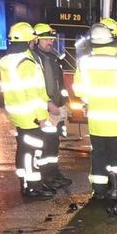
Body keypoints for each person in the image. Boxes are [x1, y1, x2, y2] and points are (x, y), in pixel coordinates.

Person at [73, 23, 117, 216]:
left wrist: (92, 101)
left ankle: (99, 191)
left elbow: (79, 90)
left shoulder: (85, 60)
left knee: (99, 156)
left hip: (97, 120)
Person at [0, 23, 55, 200]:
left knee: (23, 150)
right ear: (30, 40)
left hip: (18, 112)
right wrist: (42, 117)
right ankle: (33, 187)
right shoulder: (26, 62)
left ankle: (25, 182)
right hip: (31, 115)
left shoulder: (7, 61)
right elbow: (33, 93)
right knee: (32, 151)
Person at [32, 23, 72, 189]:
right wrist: (48, 105)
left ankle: (53, 173)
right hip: (45, 109)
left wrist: (65, 102)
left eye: (51, 39)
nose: (50, 42)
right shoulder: (34, 59)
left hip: (56, 106)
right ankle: (46, 176)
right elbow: (35, 88)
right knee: (46, 144)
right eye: (46, 39)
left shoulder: (53, 58)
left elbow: (59, 84)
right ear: (36, 40)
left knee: (53, 142)